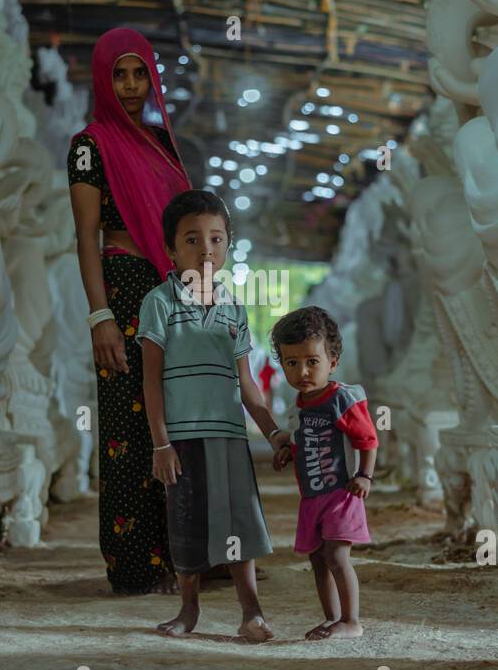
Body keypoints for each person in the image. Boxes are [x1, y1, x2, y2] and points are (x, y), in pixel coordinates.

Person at [67, 27, 191, 595]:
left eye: (140, 73)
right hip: (121, 288)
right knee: (126, 426)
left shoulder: (162, 143)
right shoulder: (89, 145)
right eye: (120, 74)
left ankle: (193, 553)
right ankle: (136, 566)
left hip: (172, 290)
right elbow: (86, 237)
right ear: (102, 78)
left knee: (183, 419)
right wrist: (101, 317)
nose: (133, 85)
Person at [136, 190, 291, 641]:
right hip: (181, 440)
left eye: (216, 238)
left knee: (238, 524)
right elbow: (151, 381)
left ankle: (252, 613)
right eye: (192, 239)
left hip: (228, 436)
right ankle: (188, 612)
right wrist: (161, 444)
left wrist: (275, 432)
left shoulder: (235, 308)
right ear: (170, 248)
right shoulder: (159, 303)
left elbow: (247, 385)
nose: (206, 249)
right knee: (187, 526)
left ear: (227, 245)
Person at [270, 306, 378, 639]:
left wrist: (364, 476)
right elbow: (304, 437)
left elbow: (368, 439)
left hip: (341, 493)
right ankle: (333, 619)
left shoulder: (342, 399)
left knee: (336, 555)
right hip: (312, 497)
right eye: (292, 362)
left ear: (332, 361)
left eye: (312, 361)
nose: (302, 370)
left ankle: (352, 620)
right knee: (318, 559)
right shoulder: (300, 404)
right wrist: (289, 451)